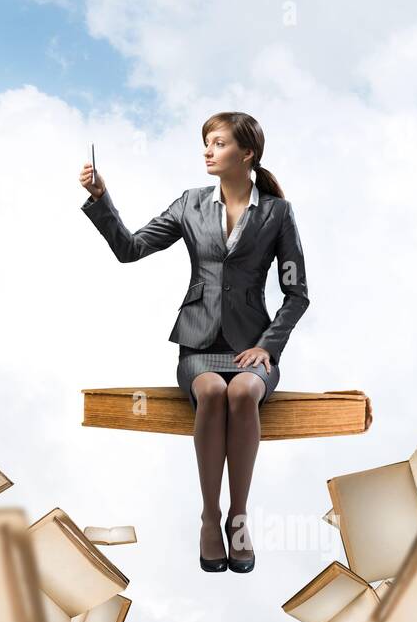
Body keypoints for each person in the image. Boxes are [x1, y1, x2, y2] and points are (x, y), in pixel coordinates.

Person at [78, 111, 309, 573]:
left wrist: (269, 346)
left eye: (218, 143)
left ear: (247, 153)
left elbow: (296, 292)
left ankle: (238, 518)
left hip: (254, 347)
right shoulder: (189, 204)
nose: (207, 150)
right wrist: (101, 198)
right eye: (206, 142)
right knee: (212, 391)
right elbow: (130, 249)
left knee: (242, 390)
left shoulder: (278, 213)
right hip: (198, 347)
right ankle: (210, 518)